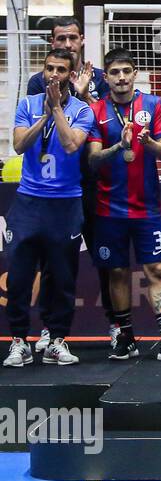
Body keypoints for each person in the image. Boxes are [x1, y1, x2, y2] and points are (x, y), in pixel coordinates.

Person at [86, 48, 161, 363]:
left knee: (157, 269)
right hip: (109, 208)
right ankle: (126, 337)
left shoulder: (153, 104)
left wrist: (147, 143)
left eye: (126, 71)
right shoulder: (96, 110)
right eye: (115, 72)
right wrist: (119, 145)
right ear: (107, 76)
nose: (121, 78)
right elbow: (92, 159)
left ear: (135, 74)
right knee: (117, 272)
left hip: (146, 207)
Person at [23, 16, 114, 352]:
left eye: (72, 38)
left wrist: (86, 96)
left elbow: (103, 127)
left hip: (93, 182)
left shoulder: (102, 80)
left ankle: (117, 326)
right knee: (54, 262)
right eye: (60, 39)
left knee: (106, 257)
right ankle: (51, 330)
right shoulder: (38, 81)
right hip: (56, 188)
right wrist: (69, 97)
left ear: (81, 42)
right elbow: (41, 132)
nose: (66, 45)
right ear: (51, 43)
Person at [4, 49, 95, 368]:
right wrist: (44, 113)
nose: (53, 74)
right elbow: (18, 145)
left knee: (61, 276)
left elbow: (71, 145)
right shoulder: (27, 105)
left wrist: (57, 109)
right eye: (48, 68)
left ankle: (56, 339)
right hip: (29, 202)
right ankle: (19, 341)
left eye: (60, 69)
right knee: (18, 276)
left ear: (72, 76)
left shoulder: (83, 110)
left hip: (65, 203)